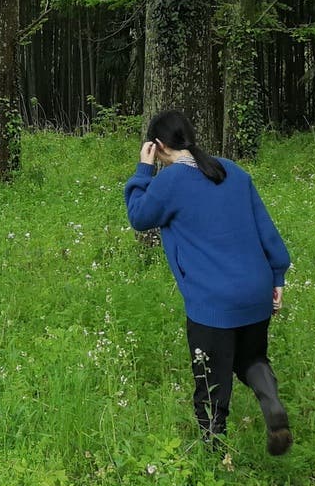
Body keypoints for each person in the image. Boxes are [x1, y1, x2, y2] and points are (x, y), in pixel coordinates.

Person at [123, 109, 293, 454]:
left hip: (212, 300)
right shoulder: (234, 171)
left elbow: (139, 217)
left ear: (157, 146)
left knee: (211, 379)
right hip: (256, 289)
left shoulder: (169, 182)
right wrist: (277, 276)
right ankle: (270, 400)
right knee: (252, 358)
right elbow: (267, 231)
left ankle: (214, 454)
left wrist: (144, 170)